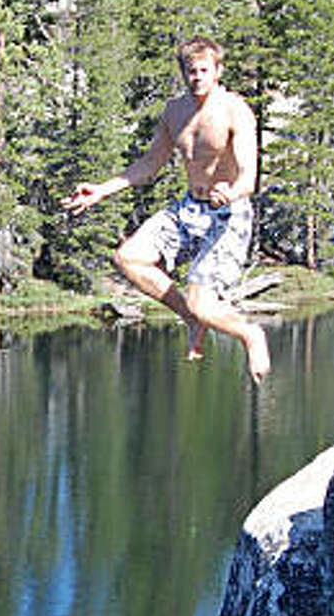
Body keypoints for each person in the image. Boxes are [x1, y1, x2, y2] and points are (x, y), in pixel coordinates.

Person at [63, 36, 270, 384]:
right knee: (128, 257)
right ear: (183, 73)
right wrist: (101, 191)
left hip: (229, 211)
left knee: (204, 301)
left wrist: (230, 191)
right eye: (191, 71)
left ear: (218, 71)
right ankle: (191, 319)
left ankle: (251, 335)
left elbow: (250, 176)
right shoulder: (174, 112)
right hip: (191, 207)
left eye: (205, 70)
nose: (198, 77)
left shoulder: (236, 110)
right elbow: (149, 164)